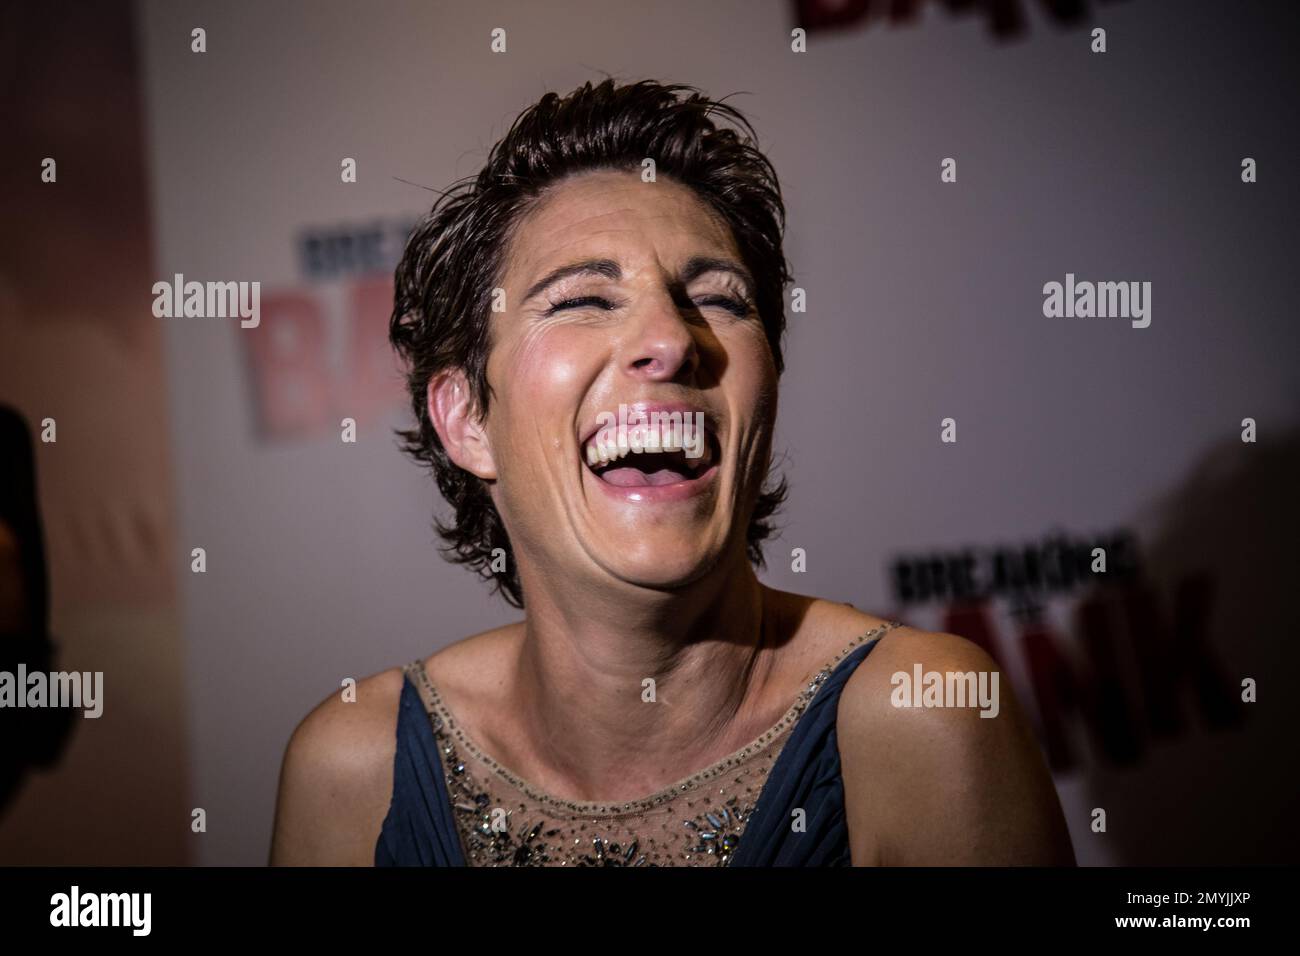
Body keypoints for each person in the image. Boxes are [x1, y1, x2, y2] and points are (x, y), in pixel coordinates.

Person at [269, 79, 1075, 867]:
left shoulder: (923, 718)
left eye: (720, 300)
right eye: (582, 300)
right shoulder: (353, 765)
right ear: (466, 419)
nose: (673, 339)